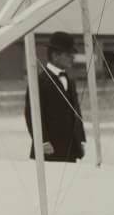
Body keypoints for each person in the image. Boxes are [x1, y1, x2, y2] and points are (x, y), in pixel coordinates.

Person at [24, 31, 86, 162]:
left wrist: (80, 139)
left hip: (70, 148)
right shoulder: (39, 81)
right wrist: (43, 142)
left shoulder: (70, 80)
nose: (73, 58)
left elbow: (76, 111)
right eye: (68, 54)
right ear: (55, 55)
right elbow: (32, 113)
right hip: (49, 150)